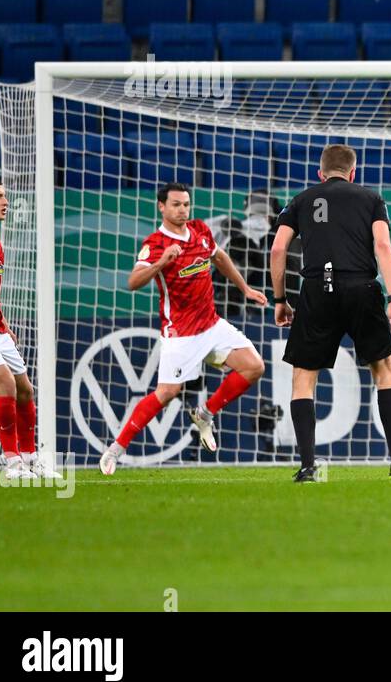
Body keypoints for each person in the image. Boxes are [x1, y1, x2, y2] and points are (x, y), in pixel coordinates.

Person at [269, 145, 391, 483]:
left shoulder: (302, 199)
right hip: (360, 287)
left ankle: (307, 467)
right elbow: (382, 246)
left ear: (320, 174)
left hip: (316, 289)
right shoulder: (371, 198)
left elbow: (278, 248)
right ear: (353, 172)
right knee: (385, 372)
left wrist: (280, 299)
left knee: (304, 379)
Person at [100, 182, 267, 475]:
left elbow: (220, 257)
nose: (182, 210)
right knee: (166, 392)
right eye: (176, 204)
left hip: (212, 324)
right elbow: (133, 282)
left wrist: (245, 289)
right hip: (181, 333)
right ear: (161, 207)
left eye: (186, 204)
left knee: (254, 367)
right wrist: (161, 263)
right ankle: (115, 449)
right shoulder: (155, 244)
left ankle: (205, 414)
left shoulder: (201, 231)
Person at [0, 177, 55, 479]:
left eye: (5, 196)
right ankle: (13, 465)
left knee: (25, 390)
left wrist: (3, 319)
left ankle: (31, 460)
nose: (5, 201)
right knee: (5, 386)